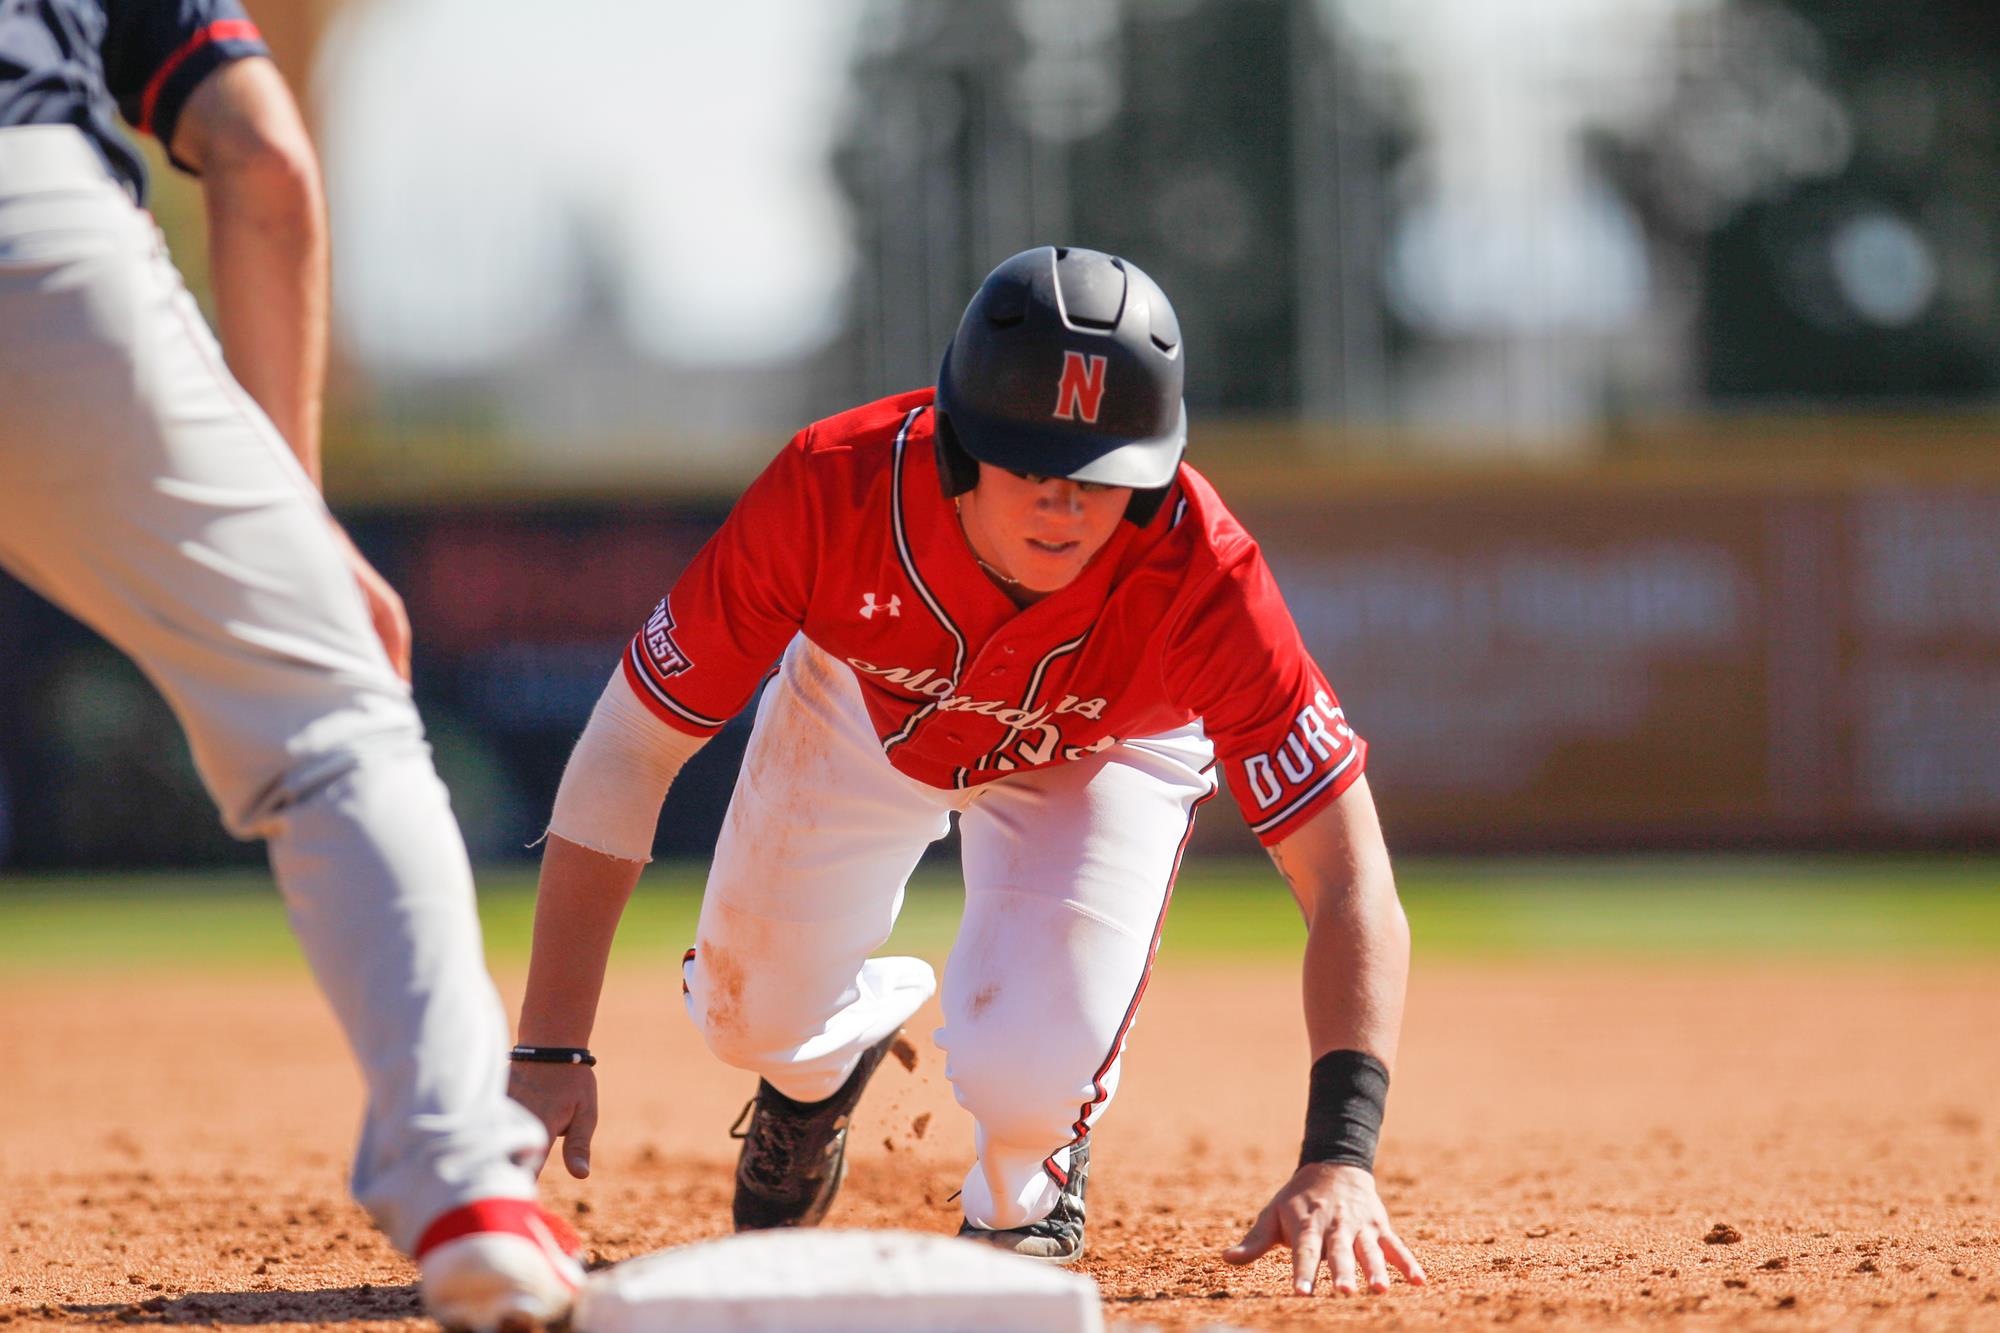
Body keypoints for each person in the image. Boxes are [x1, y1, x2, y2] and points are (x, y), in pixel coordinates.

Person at [509, 246, 1428, 1296]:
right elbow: (631, 747)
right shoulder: (831, 490)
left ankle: (1033, 1172)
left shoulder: (1203, 573)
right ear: (957, 447)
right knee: (744, 1015)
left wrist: (1341, 1155)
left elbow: (1346, 873)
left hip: (1100, 743)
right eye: (1029, 464)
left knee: (1028, 1076)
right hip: (868, 694)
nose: (1063, 504)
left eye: (1101, 475)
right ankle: (816, 1073)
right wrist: (550, 1047)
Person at [0, 5, 581, 1328]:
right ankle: (464, 1189)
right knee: (334, 729)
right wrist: (301, 516)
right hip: (29, 232)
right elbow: (261, 152)